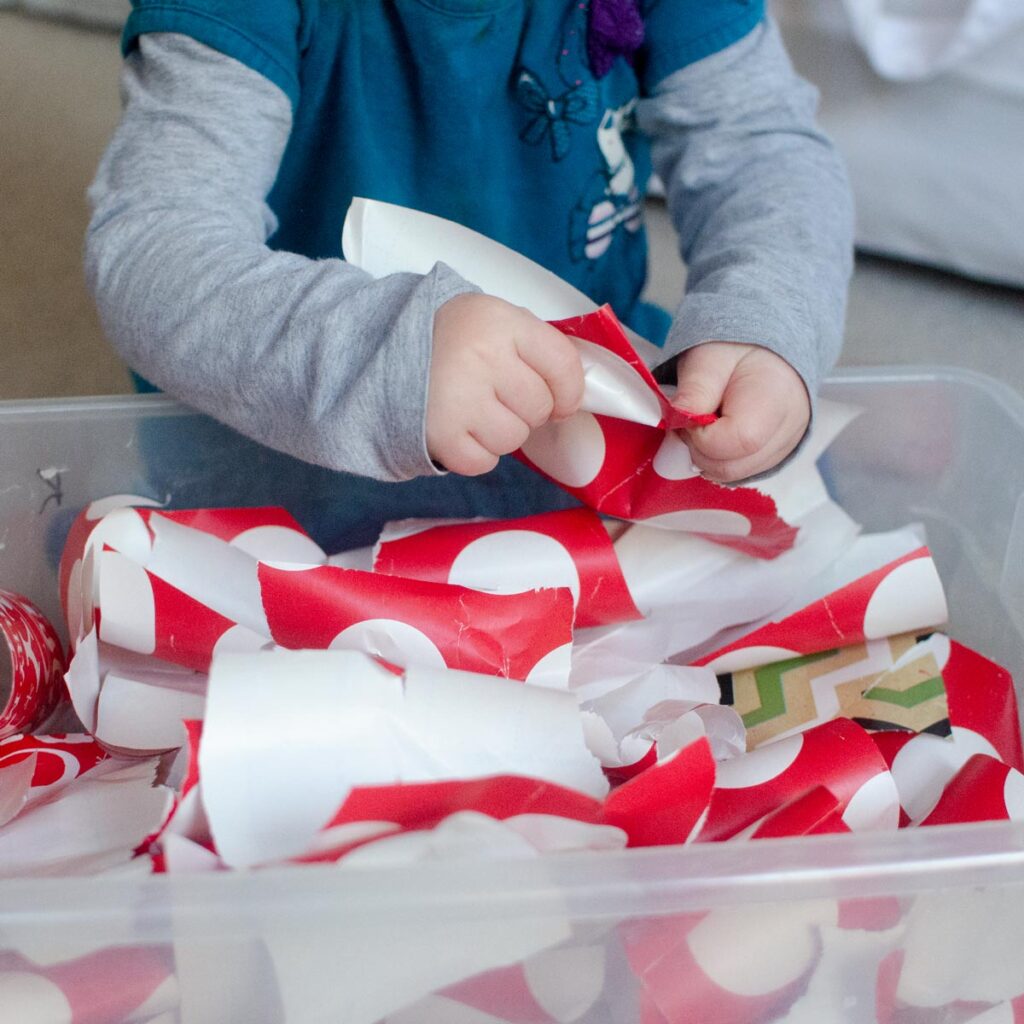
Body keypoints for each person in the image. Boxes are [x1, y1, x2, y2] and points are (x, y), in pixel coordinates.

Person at [85, 0, 852, 547]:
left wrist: (765, 323)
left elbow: (764, 154)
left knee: (805, 530)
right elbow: (153, 250)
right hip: (301, 445)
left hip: (593, 430)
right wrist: (389, 351)